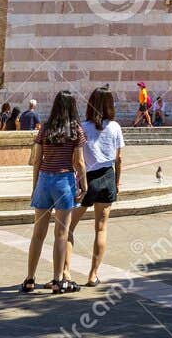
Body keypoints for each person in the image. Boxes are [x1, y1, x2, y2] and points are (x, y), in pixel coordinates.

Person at [20, 91, 87, 294]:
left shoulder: (45, 128)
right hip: (64, 181)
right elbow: (79, 162)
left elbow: (37, 160)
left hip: (44, 180)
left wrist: (35, 186)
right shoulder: (75, 129)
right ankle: (58, 281)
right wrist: (84, 184)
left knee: (38, 234)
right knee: (61, 234)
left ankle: (30, 279)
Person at [68, 86, 122, 287]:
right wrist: (116, 184)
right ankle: (92, 275)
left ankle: (65, 272)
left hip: (86, 178)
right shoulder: (115, 127)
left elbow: (77, 158)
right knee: (101, 229)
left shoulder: (82, 127)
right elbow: (119, 159)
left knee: (68, 228)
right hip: (107, 177)